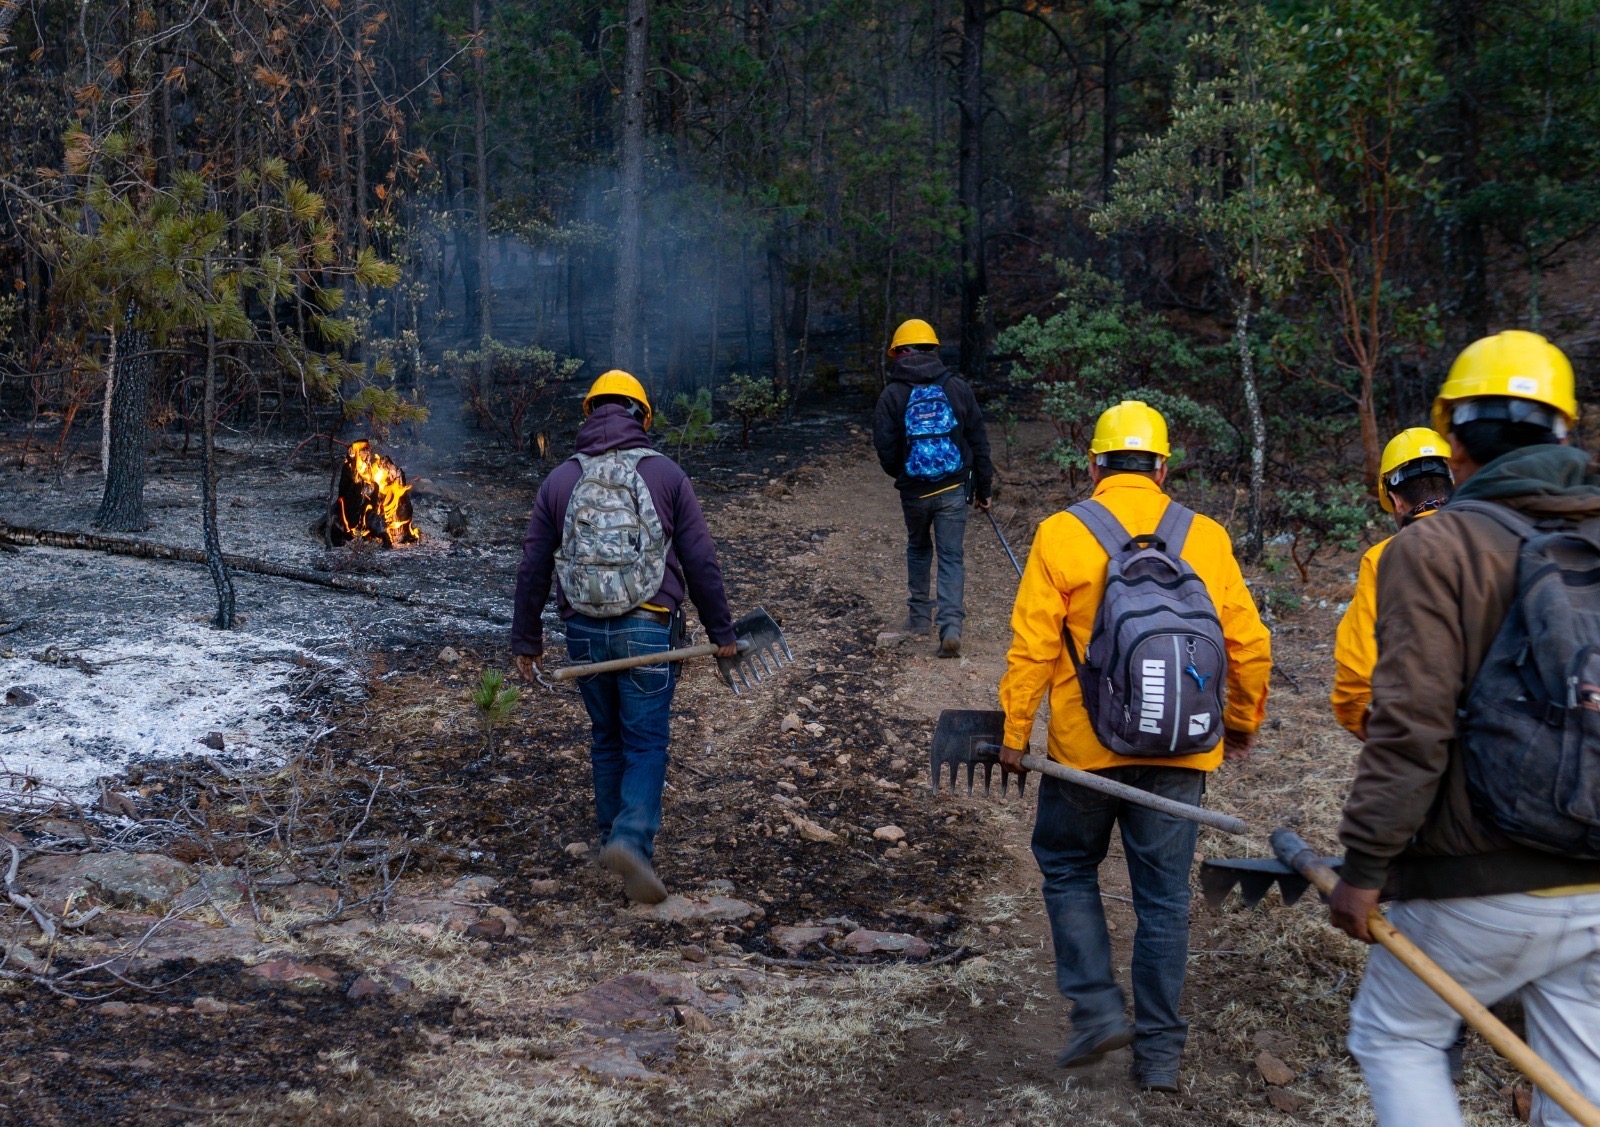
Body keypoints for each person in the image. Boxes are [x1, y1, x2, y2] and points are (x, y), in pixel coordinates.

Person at [1328, 331, 1600, 1127]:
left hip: (1479, 876)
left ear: (1453, 437)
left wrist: (1365, 864)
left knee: (1397, 1035)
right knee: (1577, 1078)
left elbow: (1408, 723)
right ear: (1565, 431)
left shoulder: (1434, 546)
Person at [996, 400, 1272, 1093]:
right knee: (1163, 899)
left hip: (1083, 753)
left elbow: (1031, 647)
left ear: (1091, 464)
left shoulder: (1061, 533)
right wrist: (1236, 725)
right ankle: (1159, 1058)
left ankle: (1095, 1010)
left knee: (1065, 865)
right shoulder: (1203, 535)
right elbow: (1248, 642)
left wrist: (1012, 733)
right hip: (1181, 751)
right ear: (1162, 466)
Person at [511, 370, 739, 905]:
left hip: (583, 632)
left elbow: (533, 566)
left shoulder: (560, 480)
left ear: (589, 413)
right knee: (646, 740)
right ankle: (631, 840)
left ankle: (610, 836)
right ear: (643, 417)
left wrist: (527, 640)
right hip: (649, 627)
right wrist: (721, 629)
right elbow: (700, 560)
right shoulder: (665, 475)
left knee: (606, 736)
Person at [871, 318, 993, 657]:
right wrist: (984, 488)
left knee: (919, 548)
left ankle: (920, 618)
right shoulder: (957, 387)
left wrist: (905, 474)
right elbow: (978, 441)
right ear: (933, 349)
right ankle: (951, 626)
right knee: (952, 556)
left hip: (915, 492)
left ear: (901, 352)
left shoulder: (892, 394)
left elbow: (885, 447)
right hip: (954, 487)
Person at [1330, 427, 1454, 739]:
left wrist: (1357, 719)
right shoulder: (1494, 538)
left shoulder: (1382, 558)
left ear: (1396, 501)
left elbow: (1356, 668)